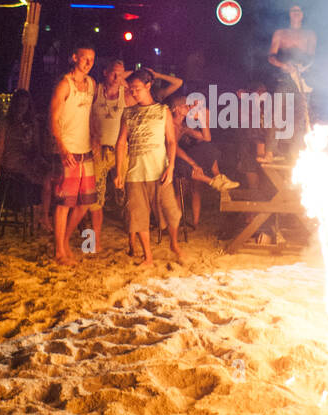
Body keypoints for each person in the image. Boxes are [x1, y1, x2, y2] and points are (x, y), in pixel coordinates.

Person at [114, 68, 183, 267]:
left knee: (171, 211)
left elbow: (171, 141)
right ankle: (148, 256)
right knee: (138, 216)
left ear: (148, 86)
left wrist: (170, 168)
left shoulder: (163, 111)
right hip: (135, 173)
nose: (133, 93)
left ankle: (174, 244)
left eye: (136, 89)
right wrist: (119, 171)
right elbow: (121, 143)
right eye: (131, 89)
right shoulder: (128, 113)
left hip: (159, 171)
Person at [49, 46, 97, 264]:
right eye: (84, 58)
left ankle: (65, 240)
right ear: (74, 58)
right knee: (64, 203)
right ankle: (59, 251)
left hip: (85, 149)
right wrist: (61, 146)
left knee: (85, 202)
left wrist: (94, 136)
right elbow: (53, 117)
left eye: (92, 59)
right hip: (68, 150)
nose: (88, 62)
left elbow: (89, 115)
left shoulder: (91, 84)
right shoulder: (64, 84)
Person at [169, 94, 236, 226]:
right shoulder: (171, 123)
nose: (190, 108)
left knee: (208, 147)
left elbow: (206, 138)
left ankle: (218, 177)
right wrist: (192, 163)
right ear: (177, 109)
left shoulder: (183, 127)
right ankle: (215, 181)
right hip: (173, 161)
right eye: (187, 106)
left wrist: (201, 118)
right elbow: (174, 148)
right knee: (181, 185)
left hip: (188, 160)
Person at [0, 89, 50, 230]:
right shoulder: (5, 122)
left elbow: (36, 145)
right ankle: (40, 212)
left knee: (51, 173)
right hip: (12, 160)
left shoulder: (32, 122)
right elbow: (0, 147)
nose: (21, 108)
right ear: (14, 105)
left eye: (24, 105)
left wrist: (39, 159)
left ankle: (43, 211)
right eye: (19, 105)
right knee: (42, 177)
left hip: (29, 158)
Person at [86, 58, 128, 252]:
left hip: (119, 150)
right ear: (104, 72)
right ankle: (93, 243)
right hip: (97, 150)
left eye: (120, 73)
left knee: (127, 194)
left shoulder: (126, 94)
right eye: (113, 72)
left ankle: (132, 237)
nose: (116, 76)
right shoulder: (95, 91)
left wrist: (122, 80)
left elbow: (146, 94)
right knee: (95, 200)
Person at [268, 5, 316, 93]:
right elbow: (271, 57)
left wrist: (303, 67)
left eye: (299, 10)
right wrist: (283, 65)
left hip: (303, 78)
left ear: (302, 14)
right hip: (284, 78)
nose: (296, 13)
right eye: (294, 10)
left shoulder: (310, 34)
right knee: (283, 106)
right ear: (289, 13)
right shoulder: (280, 33)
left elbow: (312, 57)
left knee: (303, 106)